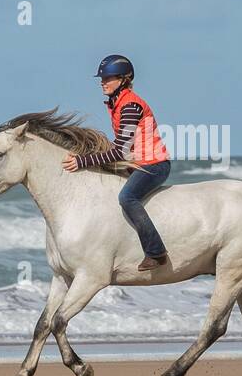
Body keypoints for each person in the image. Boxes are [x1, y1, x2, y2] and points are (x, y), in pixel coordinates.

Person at [62, 55, 171, 270]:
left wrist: (83, 161)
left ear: (123, 79)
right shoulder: (118, 103)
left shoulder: (130, 105)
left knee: (127, 197)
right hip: (138, 163)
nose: (103, 82)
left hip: (154, 165)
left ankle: (156, 252)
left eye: (108, 78)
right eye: (102, 78)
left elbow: (120, 151)